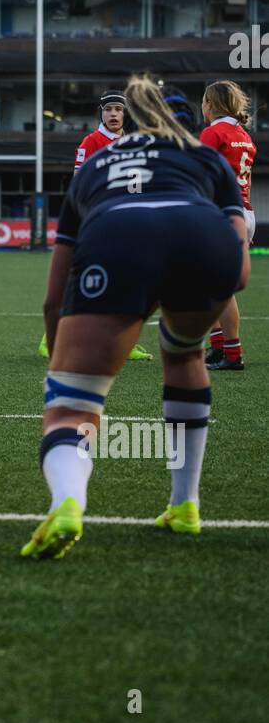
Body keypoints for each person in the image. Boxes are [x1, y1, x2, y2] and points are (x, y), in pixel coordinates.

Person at [22, 73, 249, 561]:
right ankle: (185, 505)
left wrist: (58, 358)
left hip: (117, 238)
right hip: (203, 241)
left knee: (70, 406)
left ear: (133, 122)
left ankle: (68, 503)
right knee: (184, 352)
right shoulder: (206, 157)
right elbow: (242, 272)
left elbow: (53, 294)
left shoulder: (98, 161)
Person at [39, 90, 152, 362]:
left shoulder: (134, 142)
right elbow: (79, 184)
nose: (114, 114)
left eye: (119, 109)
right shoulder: (91, 142)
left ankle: (125, 341)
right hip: (98, 221)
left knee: (128, 282)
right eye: (109, 109)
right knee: (81, 279)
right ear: (101, 113)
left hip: (127, 222)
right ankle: (50, 338)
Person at [199, 81, 257, 372]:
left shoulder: (213, 132)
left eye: (203, 101)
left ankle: (232, 354)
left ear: (210, 103)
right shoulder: (241, 133)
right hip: (243, 212)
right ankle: (219, 347)